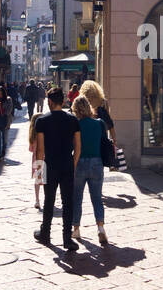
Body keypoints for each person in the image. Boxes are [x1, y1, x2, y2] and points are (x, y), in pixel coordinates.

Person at [32, 86, 80, 251]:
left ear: (50, 102)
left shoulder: (42, 121)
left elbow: (40, 150)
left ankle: (45, 233)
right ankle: (67, 238)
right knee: (68, 202)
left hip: (50, 165)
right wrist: (73, 164)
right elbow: (78, 146)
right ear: (64, 101)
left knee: (49, 200)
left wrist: (39, 172)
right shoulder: (73, 120)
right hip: (67, 164)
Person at [70, 95, 109, 246]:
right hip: (97, 162)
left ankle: (76, 228)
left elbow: (73, 146)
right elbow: (103, 142)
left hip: (79, 162)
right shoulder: (99, 123)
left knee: (77, 198)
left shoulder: (76, 125)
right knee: (97, 198)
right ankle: (100, 228)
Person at [27, 111, 44, 210]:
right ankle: (47, 199)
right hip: (46, 158)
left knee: (38, 180)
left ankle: (37, 200)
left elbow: (31, 149)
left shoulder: (32, 135)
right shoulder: (45, 133)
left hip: (36, 159)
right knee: (47, 181)